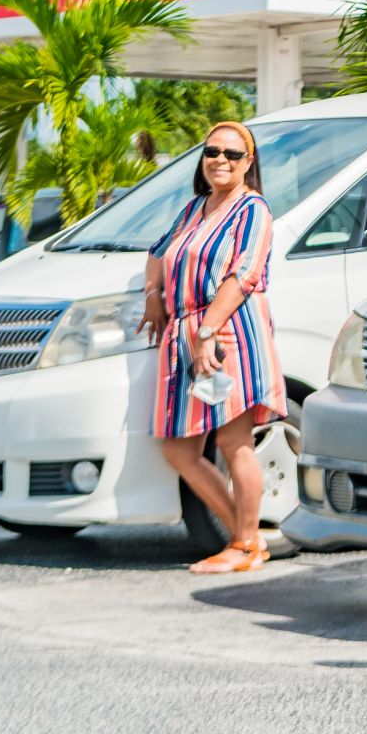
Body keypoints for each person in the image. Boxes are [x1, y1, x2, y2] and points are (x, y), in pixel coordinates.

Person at [143, 121, 290, 576]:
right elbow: (158, 252)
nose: (220, 160)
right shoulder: (193, 210)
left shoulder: (252, 210)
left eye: (231, 153)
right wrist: (153, 296)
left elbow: (243, 275)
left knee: (233, 440)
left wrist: (207, 334)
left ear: (248, 163)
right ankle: (244, 539)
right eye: (212, 152)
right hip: (186, 336)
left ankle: (245, 544)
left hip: (226, 335)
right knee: (179, 449)